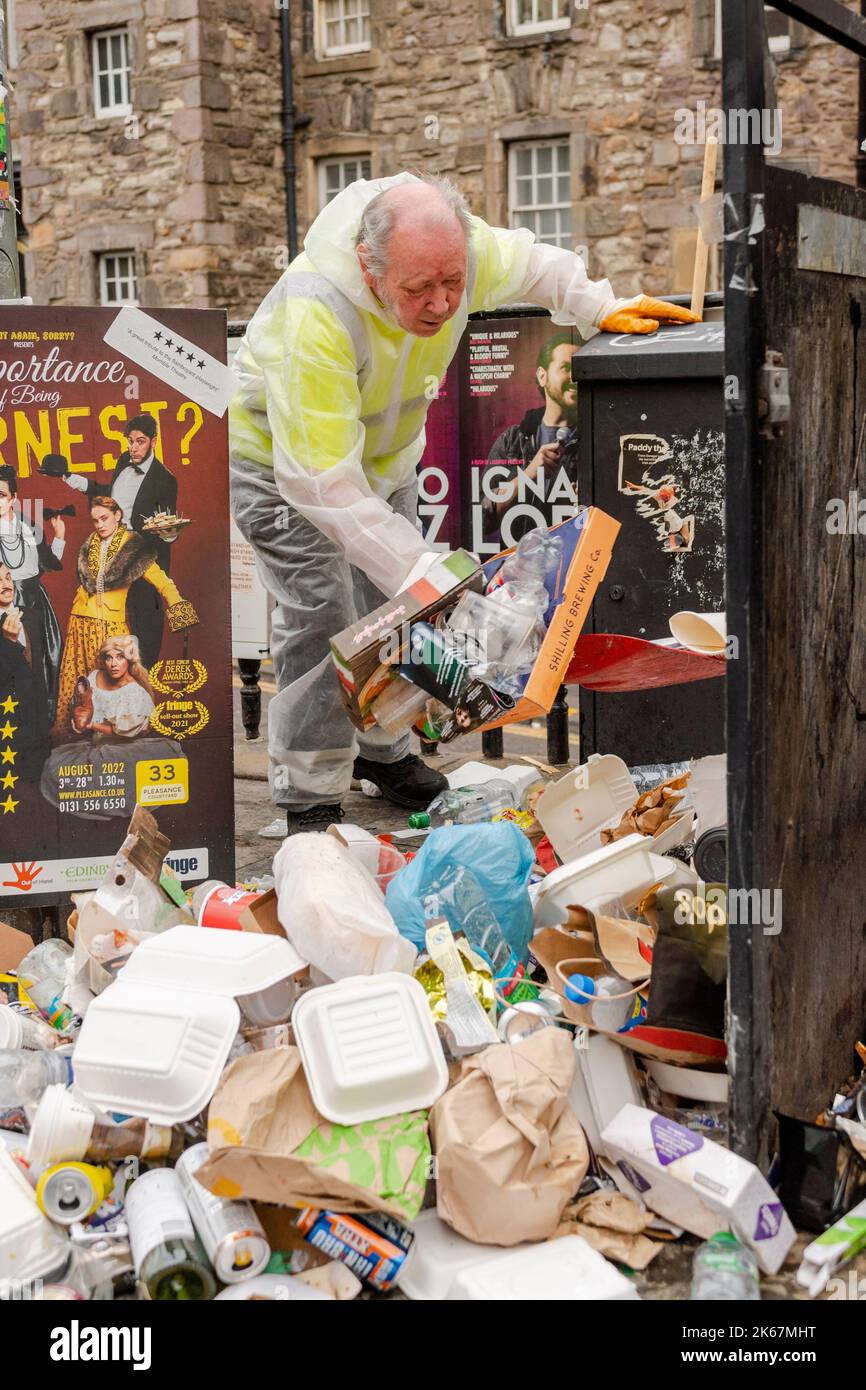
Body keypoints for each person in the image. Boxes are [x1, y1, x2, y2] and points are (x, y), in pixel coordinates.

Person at [229, 170, 698, 836]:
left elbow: (535, 264)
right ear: (369, 266)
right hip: (283, 468)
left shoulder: (455, 250)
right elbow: (321, 483)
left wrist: (597, 305)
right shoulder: (315, 316)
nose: (444, 302)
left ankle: (385, 756)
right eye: (419, 288)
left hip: (378, 458)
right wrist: (429, 573)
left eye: (454, 282)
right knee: (322, 613)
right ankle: (308, 793)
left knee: (394, 612)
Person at [52, 495, 197, 737]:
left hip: (111, 627)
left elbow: (161, 580)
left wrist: (178, 606)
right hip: (80, 622)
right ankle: (74, 735)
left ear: (118, 515)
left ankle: (112, 735)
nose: (99, 525)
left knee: (116, 681)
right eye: (95, 520)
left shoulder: (133, 548)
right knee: (78, 684)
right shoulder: (90, 543)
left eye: (104, 518)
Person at [49, 413, 179, 668]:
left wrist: (168, 533)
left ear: (154, 441)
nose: (133, 447)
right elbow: (107, 495)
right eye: (130, 441)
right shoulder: (123, 461)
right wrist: (69, 476)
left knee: (142, 626)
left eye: (140, 441)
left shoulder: (165, 479)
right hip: (111, 549)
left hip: (142, 557)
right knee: (105, 619)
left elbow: (168, 528)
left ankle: (141, 685)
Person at [482, 331, 581, 544]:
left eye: (580, 370)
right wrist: (529, 474)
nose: (574, 378)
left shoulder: (596, 437)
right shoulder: (512, 440)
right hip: (519, 569)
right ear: (542, 375)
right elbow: (484, 519)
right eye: (566, 368)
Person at [0, 464, 65, 721]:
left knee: (48, 657)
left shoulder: (29, 526)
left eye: (1, 495)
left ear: (13, 498)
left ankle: (44, 720)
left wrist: (59, 537)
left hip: (36, 603)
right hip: (6, 606)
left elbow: (47, 565)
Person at [0, 562, 50, 781]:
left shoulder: (32, 616)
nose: (5, 585)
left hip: (37, 722)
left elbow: (40, 667)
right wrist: (10, 642)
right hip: (7, 728)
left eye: (8, 577)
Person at [63, 634, 156, 741]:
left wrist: (91, 725)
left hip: (121, 746)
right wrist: (79, 724)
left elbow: (122, 734)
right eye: (109, 658)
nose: (113, 664)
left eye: (120, 657)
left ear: (129, 660)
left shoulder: (136, 693)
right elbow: (83, 709)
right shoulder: (95, 676)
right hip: (92, 742)